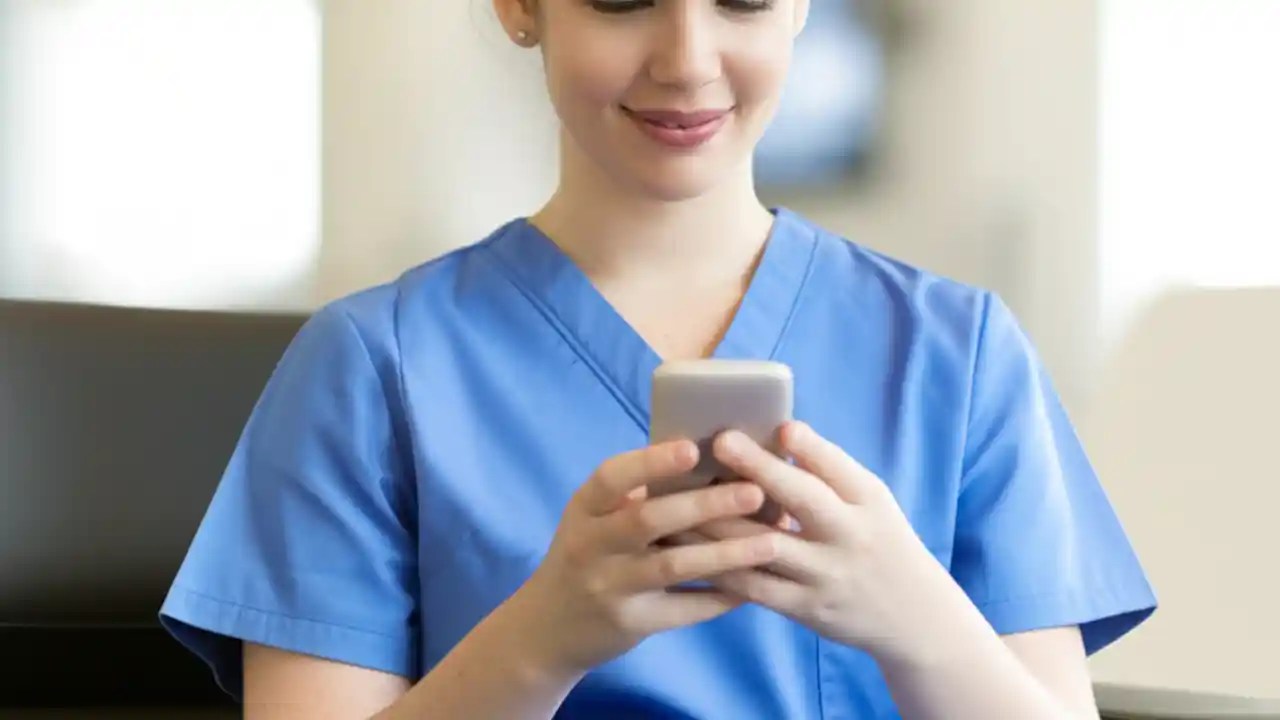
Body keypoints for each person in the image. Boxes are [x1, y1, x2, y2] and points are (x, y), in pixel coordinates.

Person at [159, 0, 1157, 717]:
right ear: (518, 7)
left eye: (741, 1)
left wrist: (912, 615)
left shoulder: (958, 353)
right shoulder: (368, 366)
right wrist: (542, 635)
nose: (686, 60)